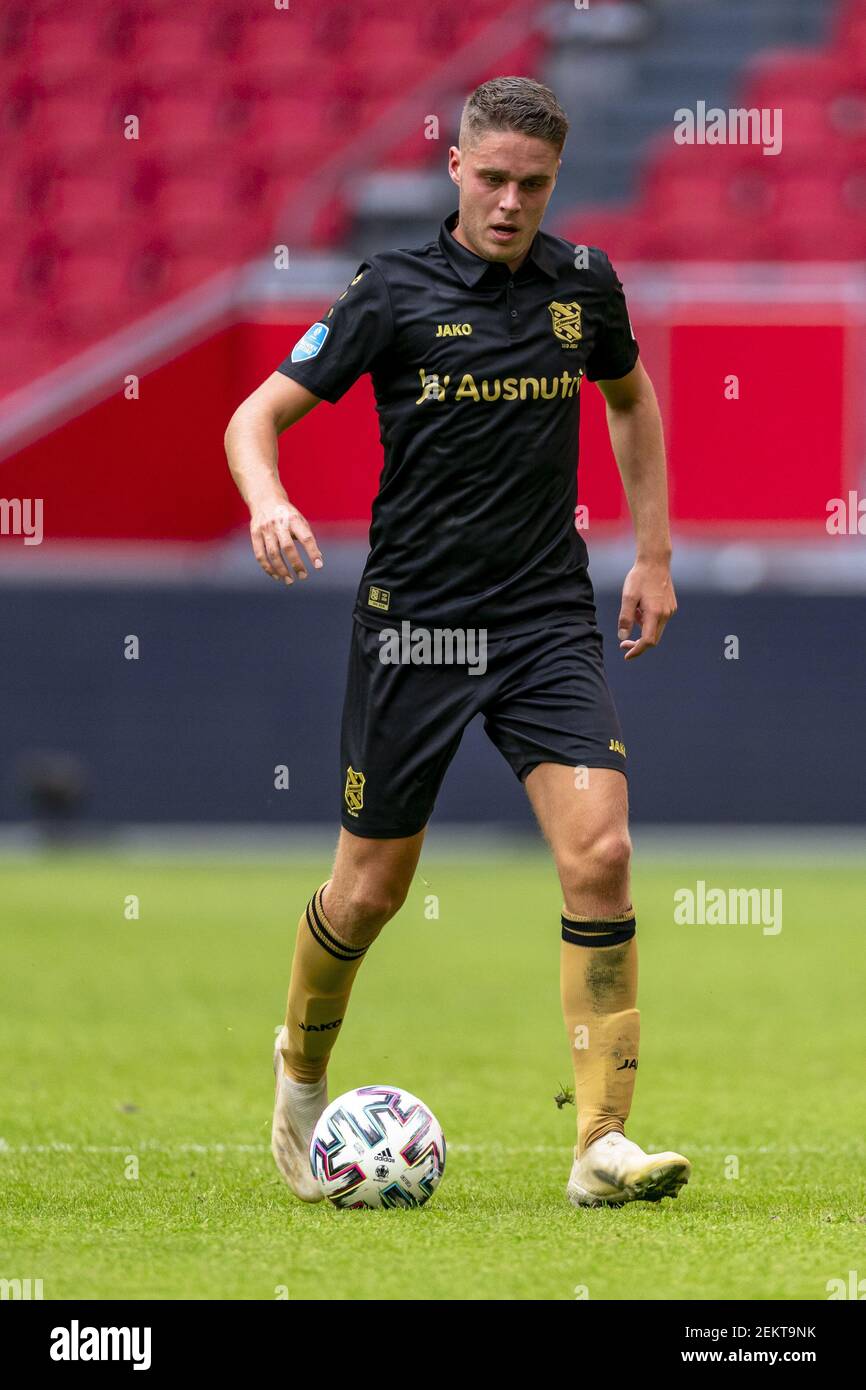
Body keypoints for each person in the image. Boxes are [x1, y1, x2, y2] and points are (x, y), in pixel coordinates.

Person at [224, 75, 689, 1208]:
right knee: (369, 890)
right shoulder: (389, 291)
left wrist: (653, 555)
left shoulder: (584, 286)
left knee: (601, 854)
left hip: (542, 619)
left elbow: (630, 399)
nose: (510, 203)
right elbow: (254, 417)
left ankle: (599, 1143)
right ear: (455, 169)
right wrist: (269, 500)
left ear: (553, 181)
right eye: (491, 179)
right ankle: (300, 1073)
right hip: (416, 630)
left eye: (532, 184)